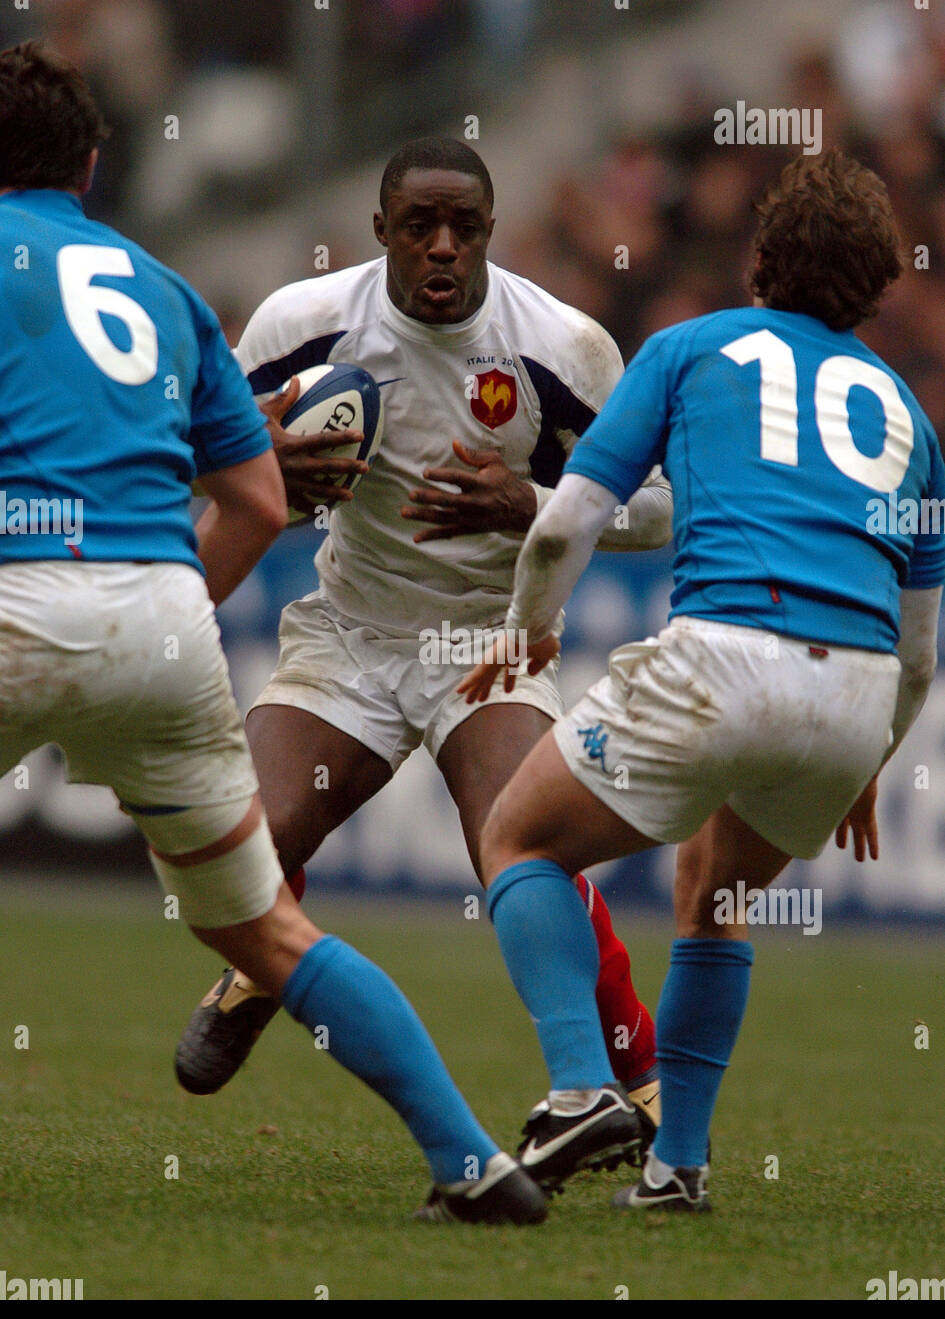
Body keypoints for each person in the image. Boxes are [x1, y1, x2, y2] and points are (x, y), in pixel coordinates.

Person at [0, 40, 548, 1226]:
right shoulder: (164, 287)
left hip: (15, 593)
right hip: (157, 613)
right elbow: (257, 501)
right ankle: (471, 1160)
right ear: (92, 166)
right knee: (268, 930)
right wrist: (144, 622)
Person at [174, 136, 673, 1191]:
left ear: (491, 231)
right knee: (251, 843)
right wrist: (269, 464)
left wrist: (532, 503)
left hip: (487, 637)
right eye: (418, 227)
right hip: (351, 630)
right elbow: (201, 448)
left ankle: (625, 1079)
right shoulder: (299, 325)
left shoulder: (561, 345)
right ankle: (257, 976)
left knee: (518, 843)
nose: (442, 248)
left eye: (464, 228)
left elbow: (664, 505)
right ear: (380, 231)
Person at [459, 149, 943, 1211]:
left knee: (516, 837)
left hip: (728, 650)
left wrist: (527, 631)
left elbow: (569, 519)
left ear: (759, 256)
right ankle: (678, 1165)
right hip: (855, 694)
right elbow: (918, 649)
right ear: (875, 290)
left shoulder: (690, 346)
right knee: (713, 895)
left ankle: (584, 1087)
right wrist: (873, 758)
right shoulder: (913, 417)